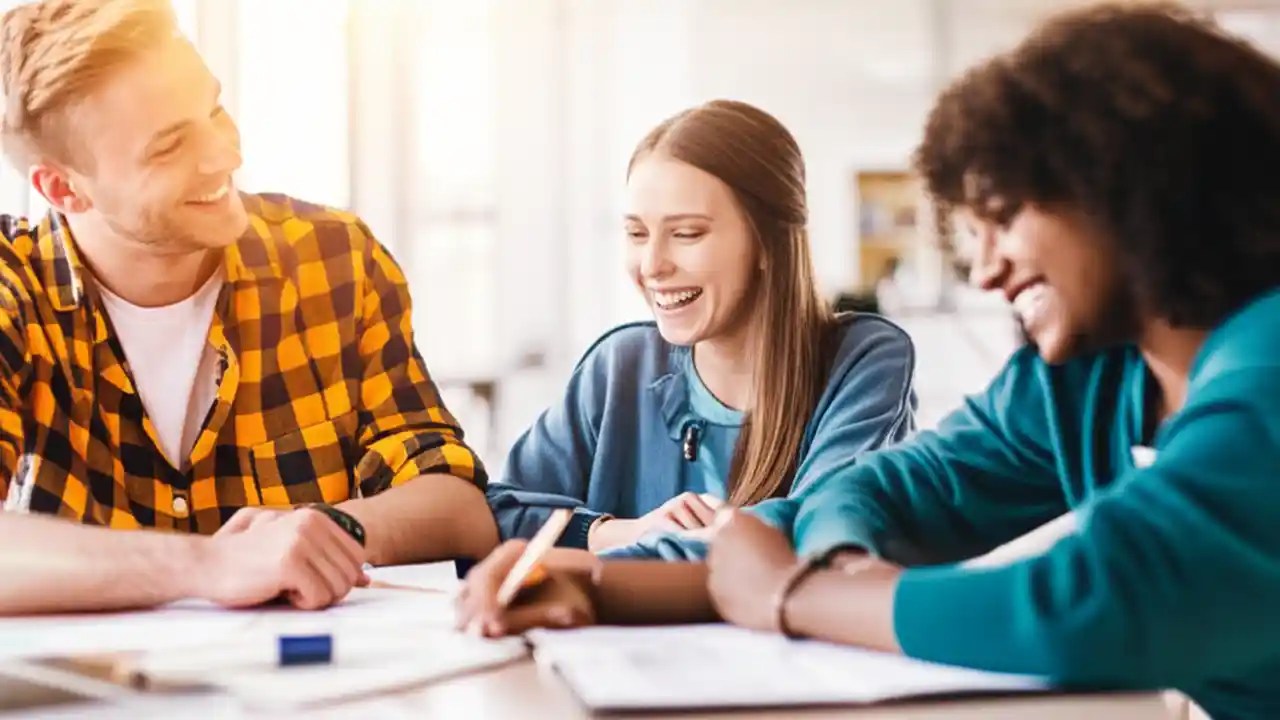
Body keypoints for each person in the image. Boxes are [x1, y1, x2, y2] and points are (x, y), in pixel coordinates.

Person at [458, 5, 1280, 718]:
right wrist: (603, 588)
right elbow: (882, 491)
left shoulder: (1267, 365)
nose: (986, 269)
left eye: (1002, 219)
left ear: (1129, 192)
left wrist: (799, 595)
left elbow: (1086, 600)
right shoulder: (1083, 378)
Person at [0, 0, 497, 615]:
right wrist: (210, 563)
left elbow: (458, 506)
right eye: (168, 147)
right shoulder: (13, 290)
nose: (224, 156)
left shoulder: (334, 258)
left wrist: (328, 531)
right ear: (64, 188)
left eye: (213, 109)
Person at [485, 99, 917, 552]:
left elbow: (813, 531)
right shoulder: (620, 367)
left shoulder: (864, 362)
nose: (651, 265)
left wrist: (591, 570)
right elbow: (498, 518)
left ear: (770, 242)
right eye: (636, 234)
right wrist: (618, 533)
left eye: (687, 233)